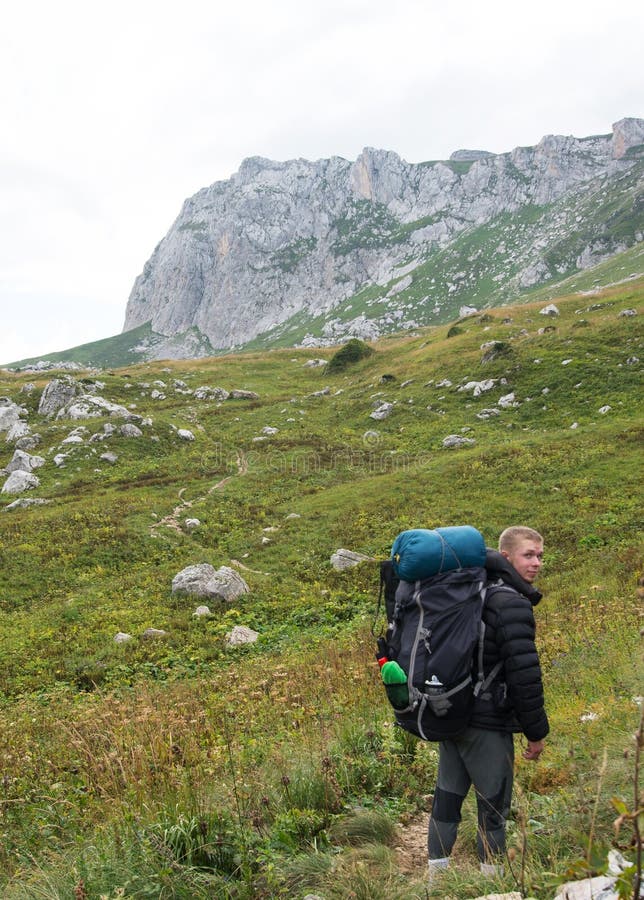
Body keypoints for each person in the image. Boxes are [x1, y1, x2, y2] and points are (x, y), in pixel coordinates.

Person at [427, 526, 549, 878]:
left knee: (447, 799)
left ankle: (436, 880)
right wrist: (536, 732)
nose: (537, 563)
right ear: (506, 556)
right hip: (488, 723)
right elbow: (524, 675)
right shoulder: (511, 603)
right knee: (494, 806)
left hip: (451, 712)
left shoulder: (468, 592)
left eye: (540, 556)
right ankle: (491, 884)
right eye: (529, 555)